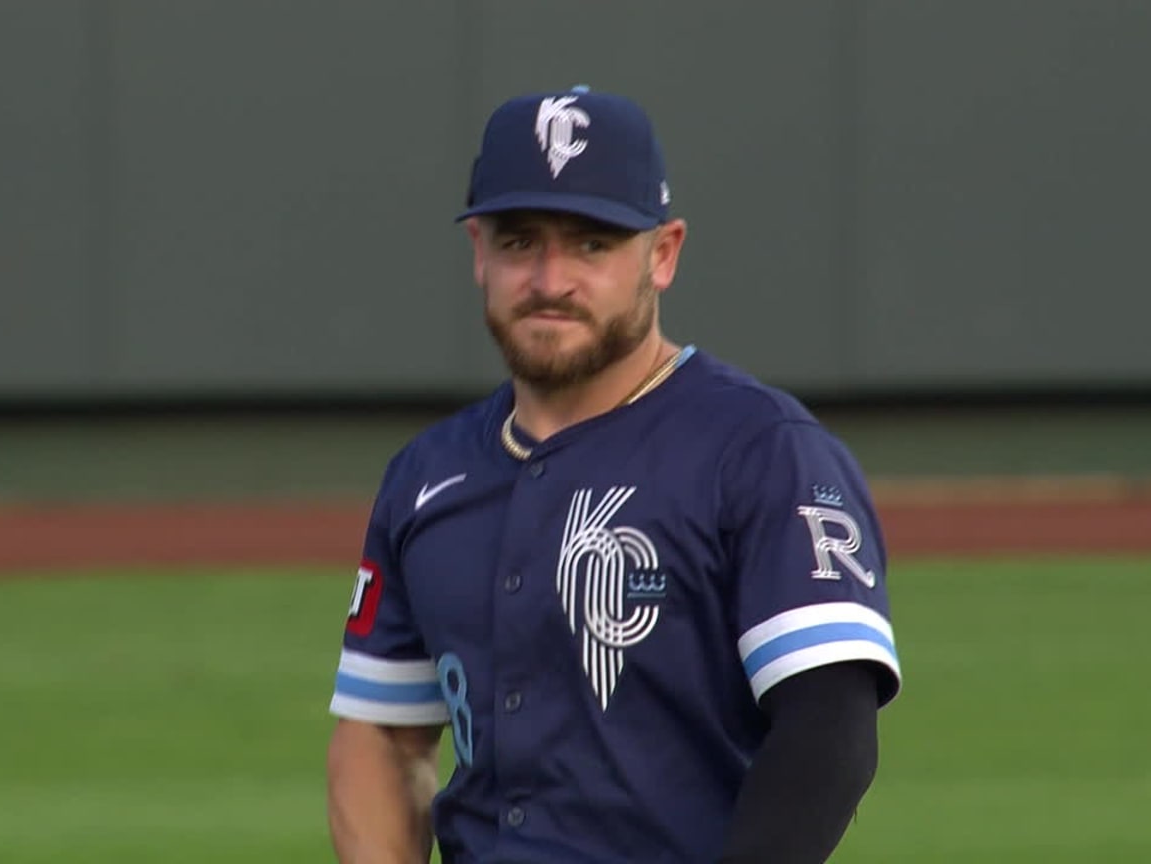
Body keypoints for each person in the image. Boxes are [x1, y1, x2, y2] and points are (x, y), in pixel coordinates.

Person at [325, 85, 901, 864]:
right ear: (478, 253)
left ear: (663, 254)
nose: (550, 279)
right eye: (520, 241)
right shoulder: (429, 476)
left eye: (592, 243)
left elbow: (829, 729)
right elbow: (383, 735)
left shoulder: (761, 450)